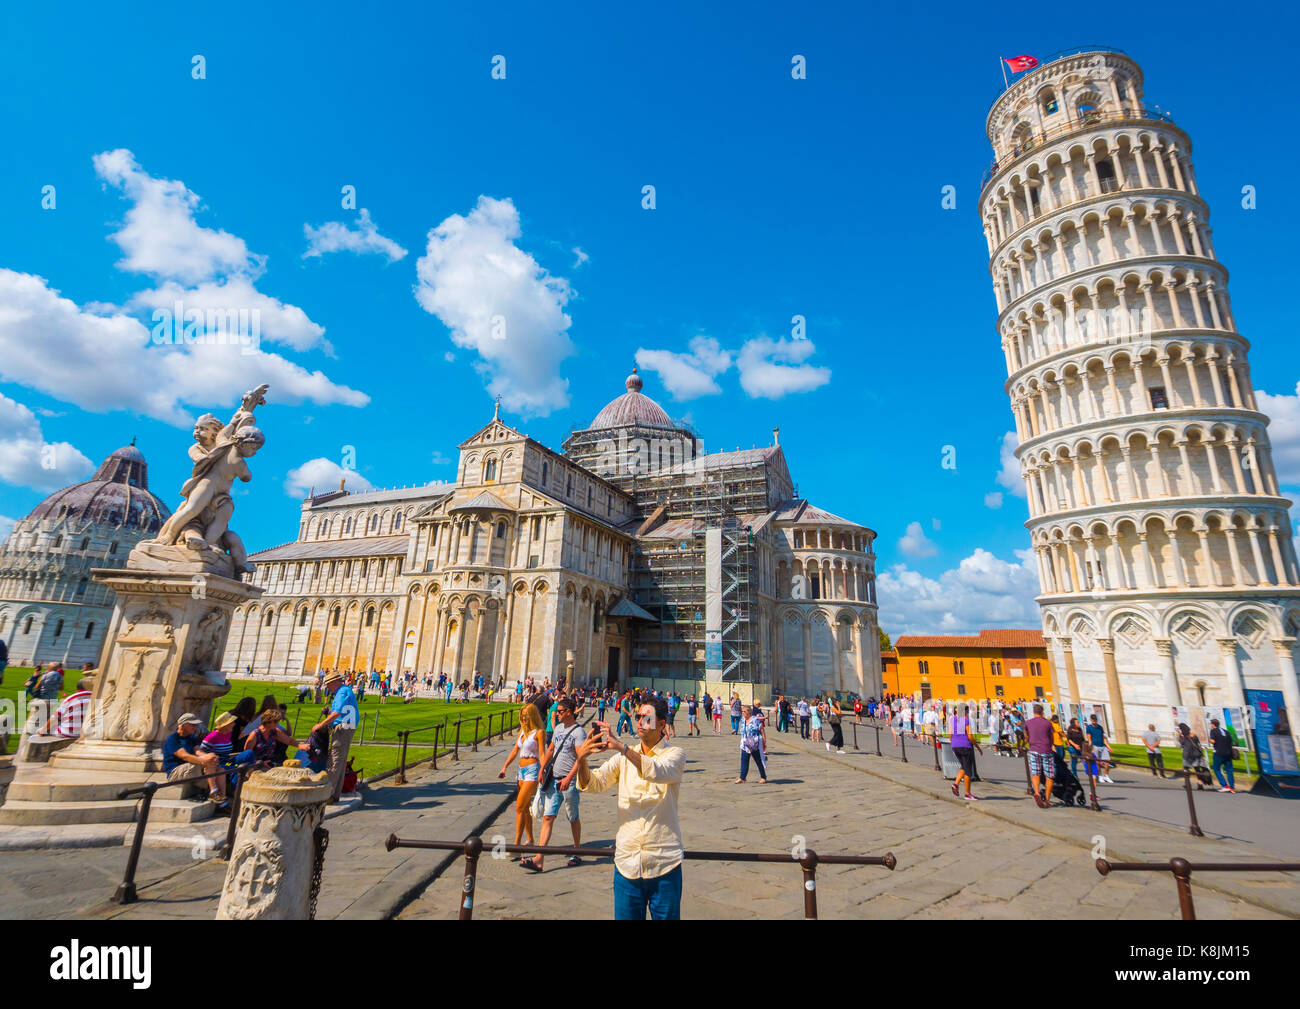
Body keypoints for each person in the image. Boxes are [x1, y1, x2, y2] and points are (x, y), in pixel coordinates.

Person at [574, 695, 686, 920]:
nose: (640, 722)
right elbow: (594, 783)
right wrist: (582, 760)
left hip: (664, 864)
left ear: (662, 724)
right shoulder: (622, 759)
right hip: (627, 866)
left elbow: (658, 772)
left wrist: (622, 748)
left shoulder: (674, 755)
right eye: (638, 717)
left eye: (647, 718)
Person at [524, 696, 587, 871]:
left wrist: (569, 778)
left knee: (572, 817)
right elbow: (551, 749)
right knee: (548, 817)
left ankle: (577, 851)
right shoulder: (558, 729)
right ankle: (539, 859)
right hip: (553, 779)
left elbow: (581, 758)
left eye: (559, 711)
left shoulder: (578, 733)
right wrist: (542, 768)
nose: (556, 714)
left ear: (569, 712)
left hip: (569, 782)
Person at [499, 705, 547, 861]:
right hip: (521, 770)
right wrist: (505, 766)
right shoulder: (522, 732)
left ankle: (516, 845)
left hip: (533, 770)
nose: (523, 718)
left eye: (526, 715)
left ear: (532, 716)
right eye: (522, 715)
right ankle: (531, 840)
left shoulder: (539, 733)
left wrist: (542, 771)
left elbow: (542, 753)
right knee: (525, 808)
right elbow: (515, 750)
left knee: (519, 807)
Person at [316, 671, 358, 802]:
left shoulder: (342, 692)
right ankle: (334, 794)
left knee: (334, 759)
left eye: (328, 684)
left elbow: (337, 713)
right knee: (340, 760)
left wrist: (320, 724)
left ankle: (328, 793)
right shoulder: (344, 691)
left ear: (335, 682)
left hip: (343, 727)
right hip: (347, 725)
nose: (327, 687)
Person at [162, 713, 223, 801]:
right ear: (182, 725)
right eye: (192, 725)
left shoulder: (191, 737)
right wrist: (204, 761)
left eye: (195, 724)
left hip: (189, 768)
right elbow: (184, 756)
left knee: (221, 770)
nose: (195, 726)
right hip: (175, 772)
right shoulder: (173, 739)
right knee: (208, 764)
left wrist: (209, 757)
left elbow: (198, 751)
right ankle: (213, 791)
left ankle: (222, 798)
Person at [950, 704, 982, 801]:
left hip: (956, 746)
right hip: (965, 746)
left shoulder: (952, 719)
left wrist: (953, 746)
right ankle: (968, 794)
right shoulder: (965, 720)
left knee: (963, 766)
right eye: (967, 712)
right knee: (968, 770)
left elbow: (950, 734)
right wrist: (978, 747)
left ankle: (955, 784)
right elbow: (970, 736)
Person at [1025, 703, 1055, 808]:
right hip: (1046, 750)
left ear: (1033, 712)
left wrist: (1028, 741)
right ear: (1042, 712)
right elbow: (1051, 737)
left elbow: (1026, 734)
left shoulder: (1028, 723)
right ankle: (1047, 800)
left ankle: (1037, 792)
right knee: (1049, 776)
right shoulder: (1047, 723)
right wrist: (1051, 745)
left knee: (1035, 773)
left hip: (1033, 750)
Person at [735, 704, 768, 784]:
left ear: (749, 712)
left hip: (754, 743)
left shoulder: (754, 719)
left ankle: (763, 777)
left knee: (758, 761)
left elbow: (761, 729)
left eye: (744, 711)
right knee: (744, 760)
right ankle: (742, 778)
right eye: (742, 711)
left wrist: (764, 740)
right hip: (745, 743)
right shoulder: (743, 719)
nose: (742, 713)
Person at [1208, 718, 1236, 793]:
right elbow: (1231, 742)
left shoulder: (1213, 731)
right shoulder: (1226, 731)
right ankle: (1232, 787)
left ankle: (1225, 785)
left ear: (1213, 725)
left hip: (1219, 753)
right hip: (1228, 753)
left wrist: (1210, 740)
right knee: (1229, 770)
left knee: (1216, 769)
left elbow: (1213, 741)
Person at [1178, 722, 1207, 790]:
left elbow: (1180, 745)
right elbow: (1198, 745)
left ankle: (1187, 784)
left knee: (1186, 770)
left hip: (1187, 756)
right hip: (1196, 754)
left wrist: (1179, 735)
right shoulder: (1194, 735)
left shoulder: (1183, 737)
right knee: (1197, 770)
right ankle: (1200, 785)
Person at [1086, 714, 1113, 783]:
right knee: (1097, 762)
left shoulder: (1100, 728)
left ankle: (1106, 776)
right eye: (1092, 720)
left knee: (1107, 761)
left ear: (1096, 720)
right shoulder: (1089, 727)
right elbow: (1089, 738)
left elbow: (1103, 737)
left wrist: (1108, 746)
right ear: (1091, 720)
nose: (1093, 722)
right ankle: (1100, 776)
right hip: (1095, 746)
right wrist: (1090, 747)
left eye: (1094, 720)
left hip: (1102, 746)